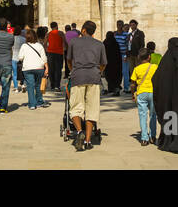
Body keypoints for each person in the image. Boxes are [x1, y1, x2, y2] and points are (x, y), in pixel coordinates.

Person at [66, 20, 106, 151]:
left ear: (83, 30)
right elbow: (103, 63)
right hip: (94, 77)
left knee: (76, 108)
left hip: (78, 76)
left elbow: (69, 60)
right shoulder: (99, 44)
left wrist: (73, 71)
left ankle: (79, 132)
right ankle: (88, 140)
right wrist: (98, 72)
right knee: (92, 110)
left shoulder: (73, 42)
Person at [130, 48, 158, 146]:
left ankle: (144, 138)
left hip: (141, 93)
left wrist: (133, 94)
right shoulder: (155, 67)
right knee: (153, 115)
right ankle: (153, 136)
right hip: (153, 92)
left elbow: (132, 84)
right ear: (149, 57)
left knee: (142, 115)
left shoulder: (136, 69)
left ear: (138, 57)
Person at [20, 28, 49, 109]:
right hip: (39, 68)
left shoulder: (24, 46)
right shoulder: (39, 45)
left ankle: (32, 104)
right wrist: (47, 68)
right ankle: (39, 101)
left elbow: (20, 57)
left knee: (30, 86)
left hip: (27, 68)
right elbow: (44, 58)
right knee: (38, 85)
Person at [45, 21, 66, 92]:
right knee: (58, 69)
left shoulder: (48, 34)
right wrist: (65, 49)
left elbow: (45, 43)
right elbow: (65, 42)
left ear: (51, 27)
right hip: (59, 53)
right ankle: (57, 85)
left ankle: (52, 85)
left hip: (50, 53)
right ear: (57, 26)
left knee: (51, 69)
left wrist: (46, 50)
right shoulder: (61, 33)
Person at [101, 29, 123, 97]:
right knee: (116, 76)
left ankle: (112, 89)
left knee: (109, 76)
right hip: (116, 64)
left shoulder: (104, 43)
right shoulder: (115, 43)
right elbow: (119, 55)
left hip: (108, 64)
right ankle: (115, 88)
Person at [113, 20, 132, 93]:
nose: (119, 26)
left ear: (123, 25)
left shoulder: (126, 35)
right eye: (118, 24)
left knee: (125, 72)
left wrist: (126, 55)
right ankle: (117, 87)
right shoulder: (114, 34)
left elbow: (128, 45)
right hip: (116, 56)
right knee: (117, 72)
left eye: (120, 24)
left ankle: (126, 88)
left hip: (124, 55)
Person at [126, 20, 146, 90]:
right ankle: (133, 86)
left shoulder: (140, 33)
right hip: (130, 55)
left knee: (138, 70)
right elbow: (127, 44)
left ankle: (139, 85)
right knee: (132, 71)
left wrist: (140, 54)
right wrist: (126, 55)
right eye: (131, 25)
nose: (132, 26)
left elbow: (142, 44)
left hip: (137, 55)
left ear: (136, 25)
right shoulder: (129, 35)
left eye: (133, 25)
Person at [11, 25, 26, 92]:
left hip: (14, 57)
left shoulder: (12, 38)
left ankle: (16, 87)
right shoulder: (24, 39)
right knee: (22, 72)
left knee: (14, 73)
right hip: (22, 58)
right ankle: (23, 85)